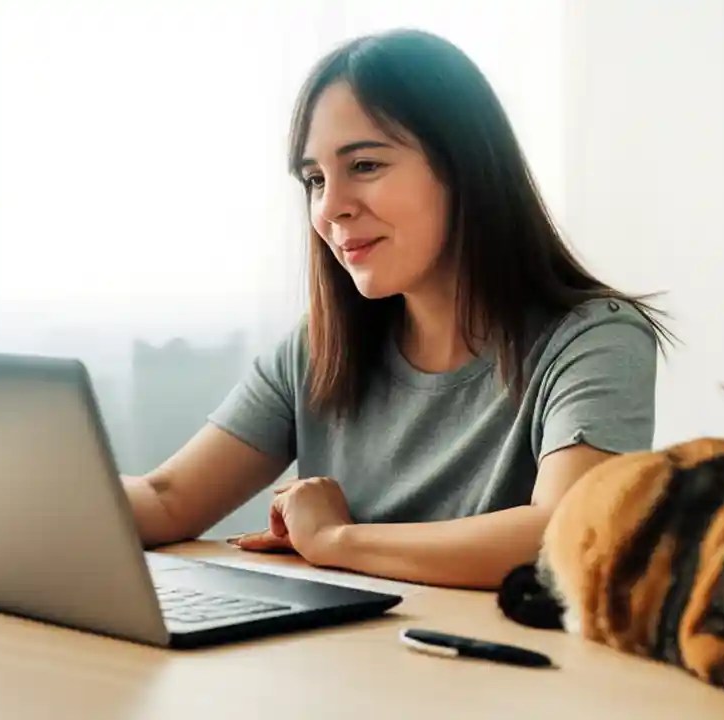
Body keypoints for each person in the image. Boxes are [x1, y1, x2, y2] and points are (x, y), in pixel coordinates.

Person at [122, 28, 672, 590]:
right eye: (315, 179)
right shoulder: (316, 349)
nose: (331, 207)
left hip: (494, 671)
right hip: (344, 668)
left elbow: (565, 533)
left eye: (364, 166)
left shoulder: (595, 339)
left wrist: (336, 540)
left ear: (464, 166)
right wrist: (35, 490)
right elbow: (168, 500)